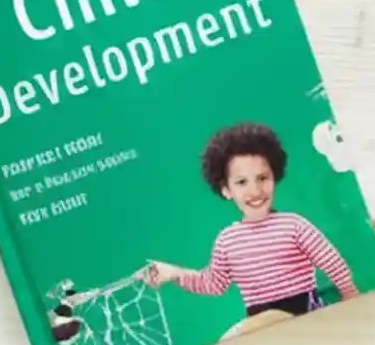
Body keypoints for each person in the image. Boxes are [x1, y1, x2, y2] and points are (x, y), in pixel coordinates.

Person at [146, 122, 358, 318]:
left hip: (305, 312)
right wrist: (173, 273)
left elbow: (330, 260)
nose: (255, 191)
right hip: (261, 324)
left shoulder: (294, 225)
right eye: (241, 182)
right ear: (226, 190)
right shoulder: (227, 241)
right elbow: (213, 283)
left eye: (262, 178)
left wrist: (349, 293)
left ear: (274, 177)